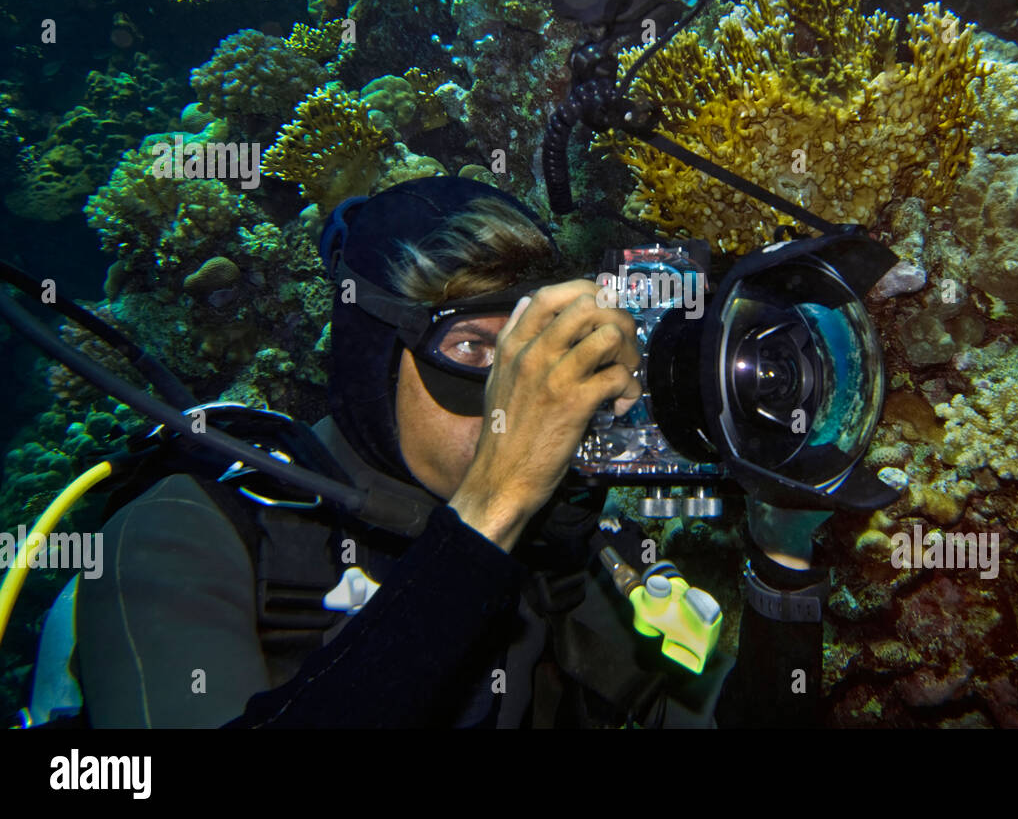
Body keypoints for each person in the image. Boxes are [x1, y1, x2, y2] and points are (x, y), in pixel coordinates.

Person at [75, 174, 830, 728]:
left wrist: (781, 559)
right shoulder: (186, 534)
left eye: (535, 353)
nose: (522, 399)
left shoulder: (553, 558)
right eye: (473, 347)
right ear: (374, 360)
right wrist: (490, 511)